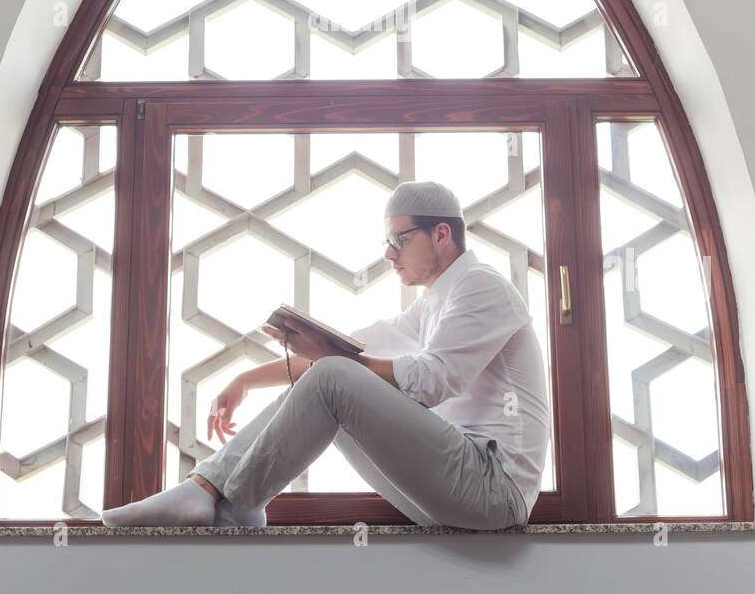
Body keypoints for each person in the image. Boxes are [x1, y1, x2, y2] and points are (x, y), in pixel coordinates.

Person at [100, 180, 551, 531]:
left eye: (400, 239)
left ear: (441, 234)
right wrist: (248, 379)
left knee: (335, 378)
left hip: (494, 489)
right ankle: (218, 493)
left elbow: (433, 381)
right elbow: (354, 349)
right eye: (387, 243)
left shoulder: (482, 287)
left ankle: (229, 498)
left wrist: (335, 361)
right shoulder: (432, 304)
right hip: (453, 493)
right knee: (333, 386)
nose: (390, 255)